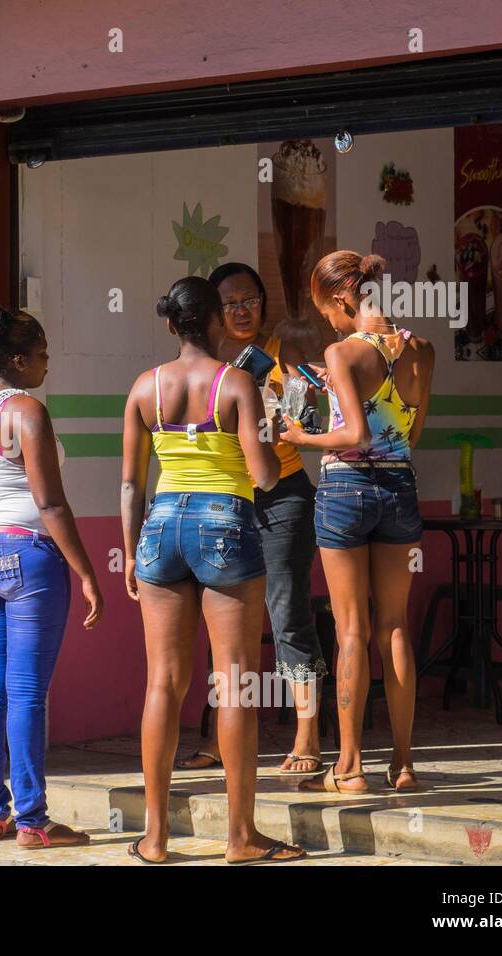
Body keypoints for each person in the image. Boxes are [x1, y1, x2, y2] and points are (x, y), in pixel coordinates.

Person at [121, 276, 305, 865]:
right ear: (218, 322)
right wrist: (273, 430)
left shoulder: (144, 388)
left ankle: (153, 838)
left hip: (159, 527)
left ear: (171, 324)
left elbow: (131, 483)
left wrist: (130, 552)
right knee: (235, 683)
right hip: (223, 521)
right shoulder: (237, 382)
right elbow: (267, 476)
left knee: (162, 683)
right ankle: (241, 838)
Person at [0, 302, 104, 850]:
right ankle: (33, 822)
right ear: (16, 359)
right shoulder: (28, 412)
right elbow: (51, 504)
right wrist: (86, 572)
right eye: (40, 356)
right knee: (27, 694)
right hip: (26, 556)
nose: (46, 365)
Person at [282, 251, 434, 794]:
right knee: (394, 625)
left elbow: (354, 438)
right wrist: (344, 395)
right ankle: (404, 764)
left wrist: (301, 438)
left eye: (328, 309)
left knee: (351, 631)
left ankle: (349, 768)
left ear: (344, 298)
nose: (328, 320)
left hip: (346, 490)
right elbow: (406, 438)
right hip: (400, 488)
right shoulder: (422, 350)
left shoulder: (341, 352)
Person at [175, 262, 324, 775]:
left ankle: (307, 737)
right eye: (230, 303)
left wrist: (291, 411)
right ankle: (223, 741)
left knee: (287, 612)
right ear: (214, 312)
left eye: (250, 300)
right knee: (226, 626)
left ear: (264, 303)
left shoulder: (287, 353)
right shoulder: (204, 364)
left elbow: (318, 420)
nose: (241, 311)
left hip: (283, 494)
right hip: (226, 500)